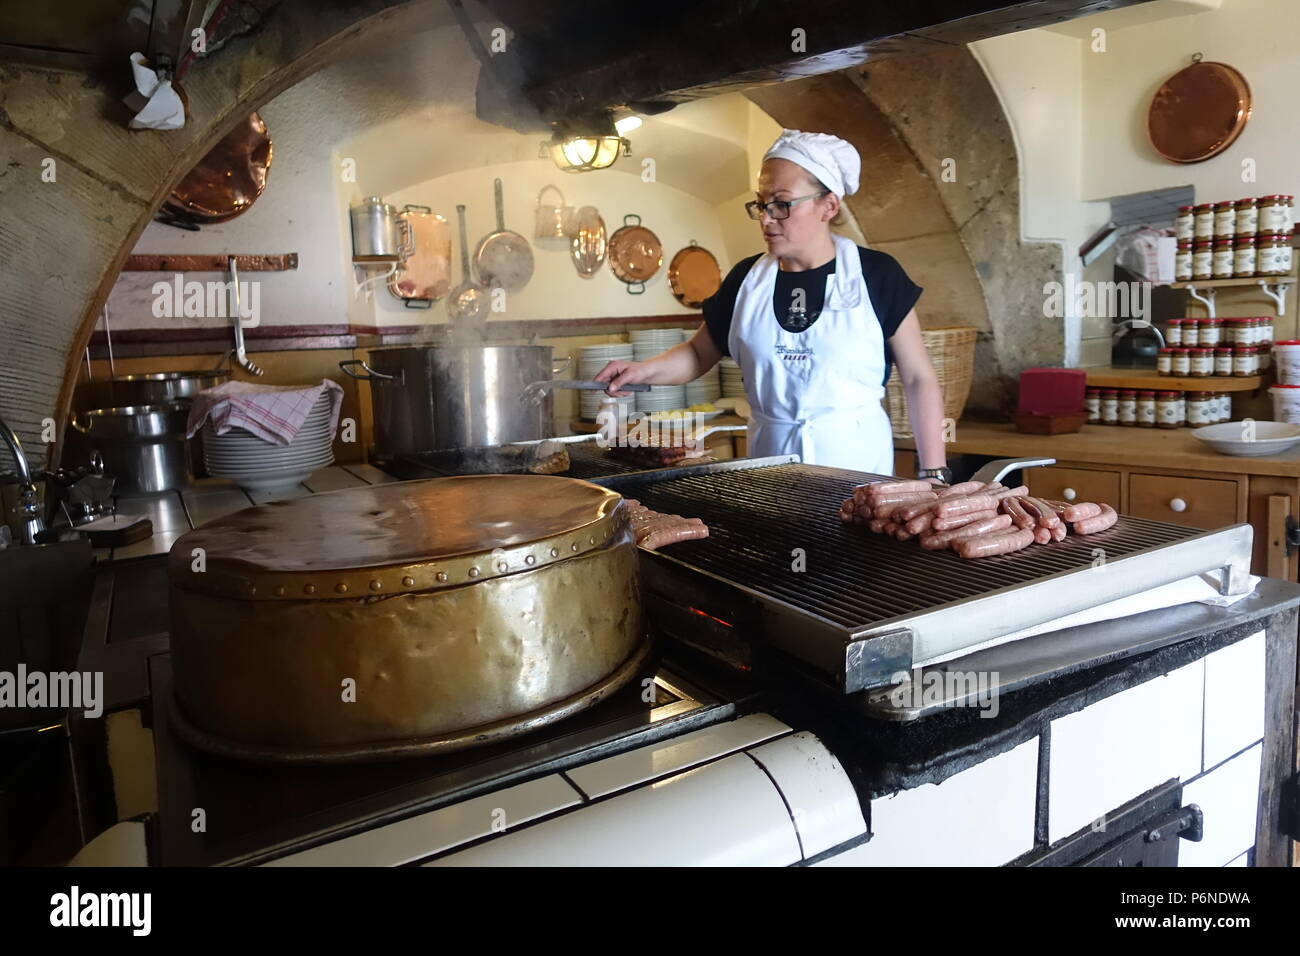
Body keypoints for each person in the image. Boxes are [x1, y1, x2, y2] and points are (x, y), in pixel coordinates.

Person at [595, 128, 951, 482]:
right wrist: (643, 371)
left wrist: (933, 471)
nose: (766, 218)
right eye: (762, 204)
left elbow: (919, 377)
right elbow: (698, 354)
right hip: (769, 466)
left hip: (858, 464)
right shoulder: (745, 281)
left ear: (828, 205)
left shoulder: (877, 275)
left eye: (781, 204)